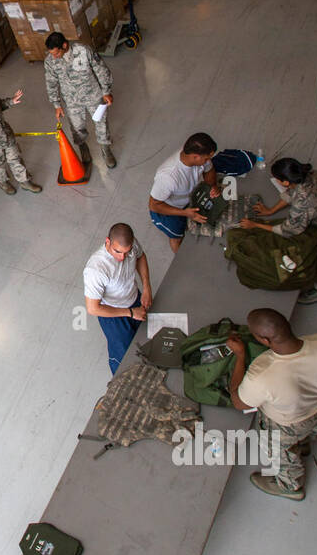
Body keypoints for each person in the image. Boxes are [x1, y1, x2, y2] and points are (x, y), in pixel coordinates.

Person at [227, 308, 317, 500]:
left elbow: (238, 402)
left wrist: (240, 356)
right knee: (308, 433)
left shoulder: (262, 373)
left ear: (266, 340)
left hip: (285, 424)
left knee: (281, 452)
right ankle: (303, 445)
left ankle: (290, 486)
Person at [237, 157, 317, 304]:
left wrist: (255, 225)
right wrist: (270, 211)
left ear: (285, 182)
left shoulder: (303, 203)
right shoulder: (308, 176)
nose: (275, 180)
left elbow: (289, 230)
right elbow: (292, 194)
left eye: (277, 179)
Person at [84, 222, 153, 374]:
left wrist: (147, 287)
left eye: (126, 253)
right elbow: (92, 308)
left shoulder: (131, 245)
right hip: (114, 316)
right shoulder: (96, 269)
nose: (122, 257)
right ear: (107, 241)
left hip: (135, 300)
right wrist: (130, 313)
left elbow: (140, 256)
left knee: (145, 340)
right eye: (117, 252)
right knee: (123, 357)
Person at [44, 32, 116, 169]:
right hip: (72, 100)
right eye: (51, 53)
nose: (54, 56)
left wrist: (106, 91)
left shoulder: (83, 50)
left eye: (56, 53)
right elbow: (51, 82)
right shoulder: (50, 61)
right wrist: (56, 104)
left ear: (64, 45)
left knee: (102, 124)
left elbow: (100, 69)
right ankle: (83, 147)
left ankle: (106, 150)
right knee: (76, 128)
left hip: (93, 95)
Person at [149, 132, 220, 252]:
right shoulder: (168, 177)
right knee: (177, 236)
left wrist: (212, 185)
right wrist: (185, 213)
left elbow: (209, 170)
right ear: (195, 156)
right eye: (207, 158)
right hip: (167, 210)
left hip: (188, 199)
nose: (208, 161)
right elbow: (154, 205)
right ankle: (179, 256)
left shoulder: (197, 157)